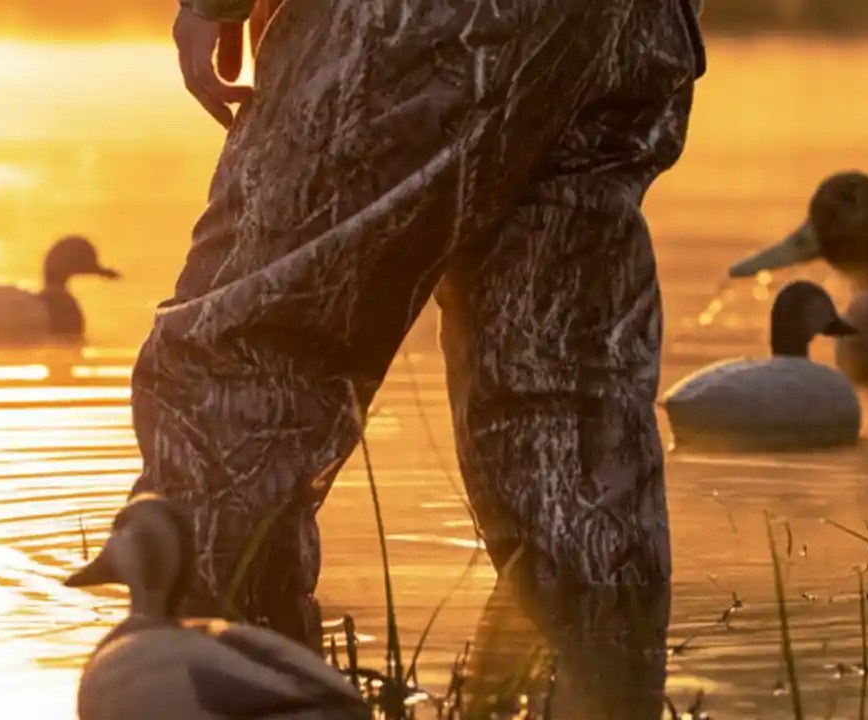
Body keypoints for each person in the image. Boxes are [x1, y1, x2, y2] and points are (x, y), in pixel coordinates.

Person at [130, 0, 707, 646]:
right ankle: (606, 675)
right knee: (562, 408)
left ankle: (209, 673)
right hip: (626, 23)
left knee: (238, 358)